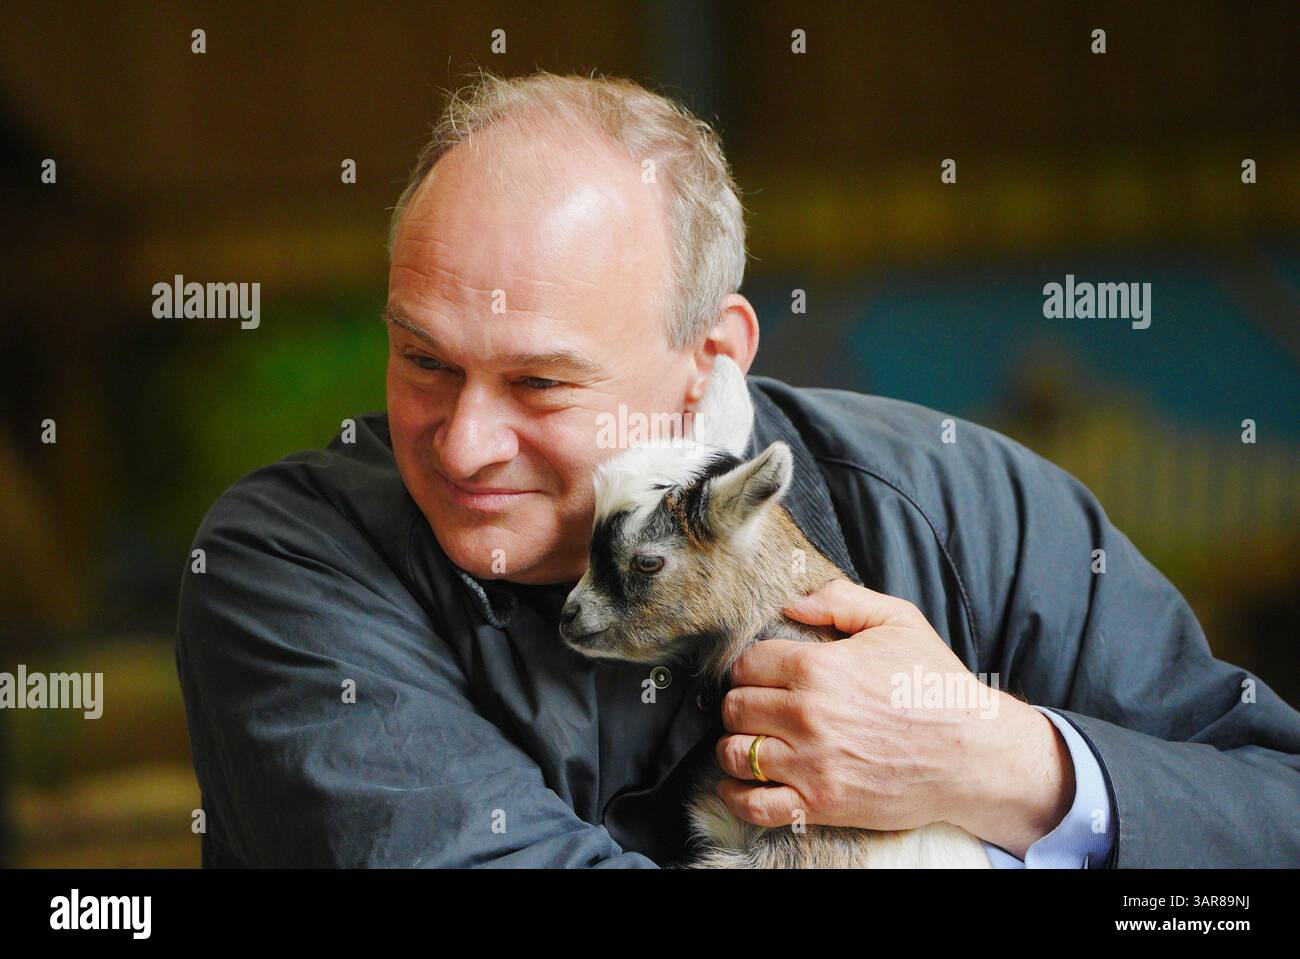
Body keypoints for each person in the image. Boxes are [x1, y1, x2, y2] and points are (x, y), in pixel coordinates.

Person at [175, 69, 1300, 868]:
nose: (463, 442)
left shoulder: (968, 509)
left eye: (541, 384)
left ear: (710, 353)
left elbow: (1271, 815)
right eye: (423, 359)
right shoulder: (288, 564)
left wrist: (1008, 764)